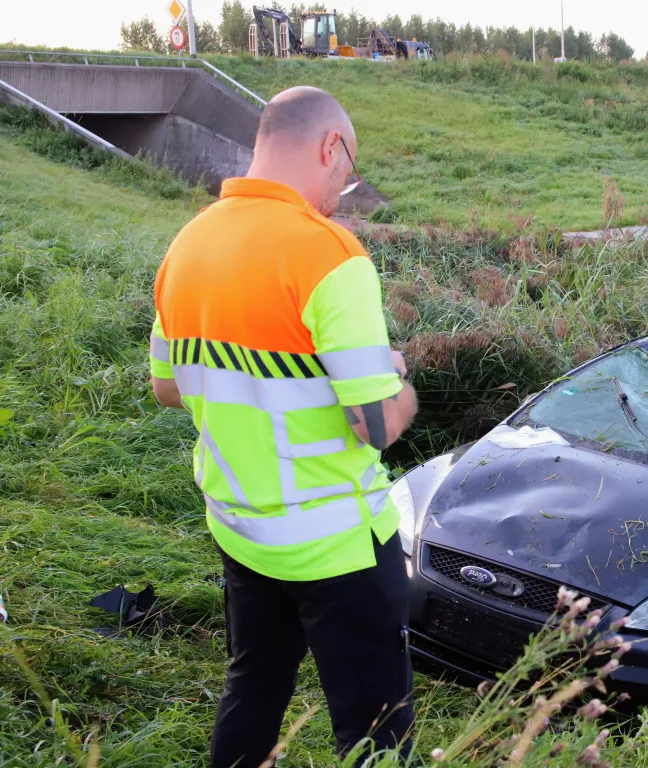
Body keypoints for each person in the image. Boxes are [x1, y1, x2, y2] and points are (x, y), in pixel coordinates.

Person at [148, 86, 420, 767]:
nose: (340, 192)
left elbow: (167, 385)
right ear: (330, 146)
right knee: (375, 735)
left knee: (254, 692)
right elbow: (374, 426)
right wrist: (401, 384)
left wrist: (304, 377)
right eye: (346, 172)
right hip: (339, 547)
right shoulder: (329, 253)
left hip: (242, 531)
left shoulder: (188, 244)